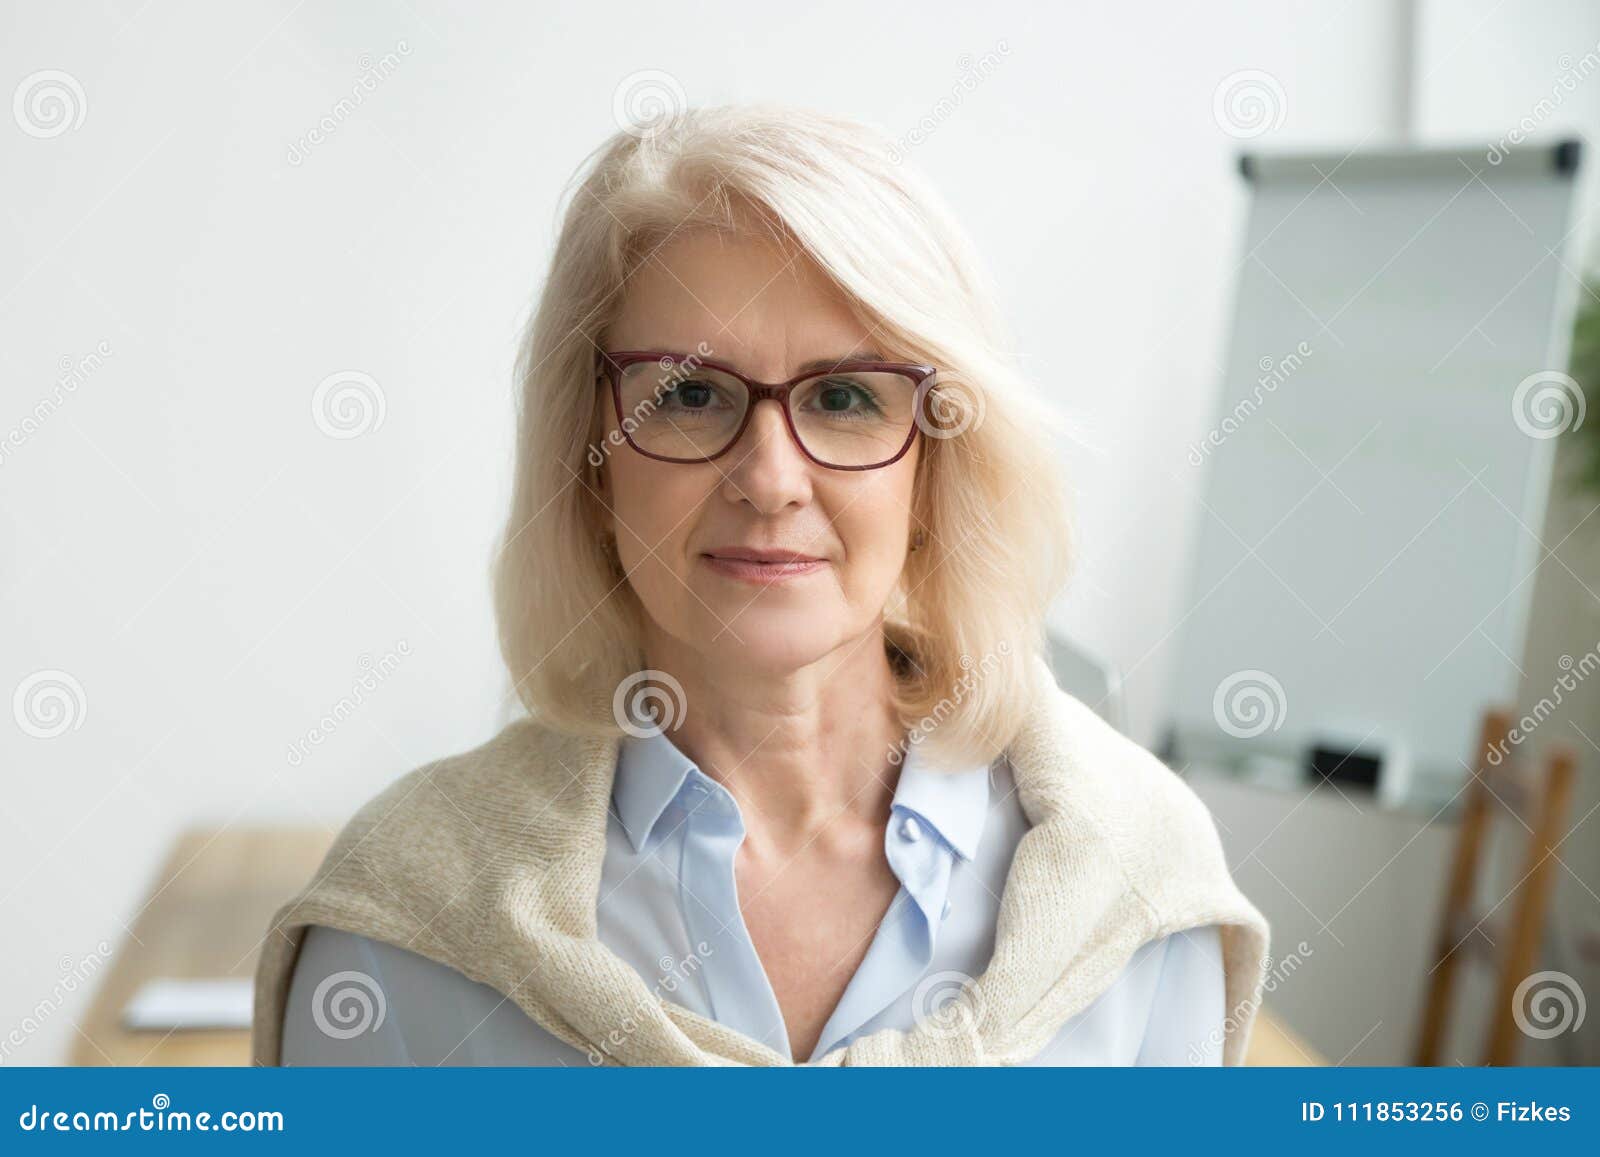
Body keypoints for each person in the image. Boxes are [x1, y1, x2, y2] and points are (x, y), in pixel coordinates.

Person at [254, 104, 1267, 1067]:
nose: (771, 478)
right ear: (590, 455)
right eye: (689, 394)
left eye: (844, 397)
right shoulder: (405, 923)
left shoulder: (1139, 879)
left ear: (938, 463)